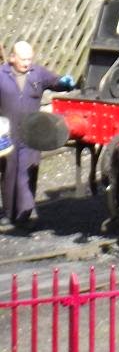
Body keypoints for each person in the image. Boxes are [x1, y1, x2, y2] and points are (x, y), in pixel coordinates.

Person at [0, 41, 75, 227]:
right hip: (8, 134)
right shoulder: (2, 74)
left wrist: (66, 83)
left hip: (32, 133)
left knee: (27, 171)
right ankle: (9, 213)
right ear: (12, 58)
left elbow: (55, 82)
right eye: (23, 59)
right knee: (9, 173)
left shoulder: (38, 73)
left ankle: (25, 214)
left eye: (29, 59)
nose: (27, 63)